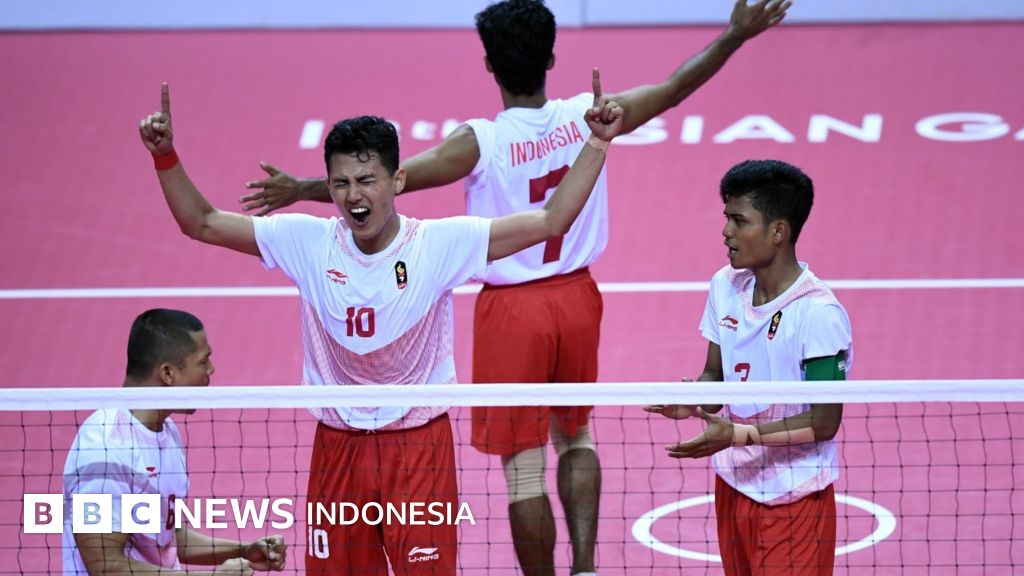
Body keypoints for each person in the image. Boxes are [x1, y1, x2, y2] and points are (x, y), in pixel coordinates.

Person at [238, 2, 791, 574]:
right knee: (577, 437)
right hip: (578, 301)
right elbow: (675, 88)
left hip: (510, 311)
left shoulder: (479, 141)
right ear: (551, 57)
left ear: (488, 64)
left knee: (523, 466)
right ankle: (585, 567)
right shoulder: (588, 115)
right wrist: (733, 35)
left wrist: (306, 187)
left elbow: (392, 182)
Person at [137, 71, 622, 575]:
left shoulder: (438, 244)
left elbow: (551, 221)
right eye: (341, 183)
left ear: (397, 181)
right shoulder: (306, 241)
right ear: (327, 186)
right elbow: (202, 222)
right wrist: (164, 157)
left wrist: (597, 141)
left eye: (366, 180)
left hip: (418, 449)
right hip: (338, 451)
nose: (353, 195)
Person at [645, 160, 852, 576]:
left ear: (778, 231)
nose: (726, 231)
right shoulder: (726, 285)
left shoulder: (819, 314)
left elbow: (825, 421)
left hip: (794, 499)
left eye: (739, 221)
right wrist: (692, 399)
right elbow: (715, 376)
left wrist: (741, 435)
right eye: (727, 218)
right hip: (734, 486)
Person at [63, 309, 287, 575]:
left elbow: (164, 537)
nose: (211, 370)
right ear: (168, 373)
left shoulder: (165, 430)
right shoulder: (106, 448)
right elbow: (104, 565)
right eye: (204, 362)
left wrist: (243, 549)